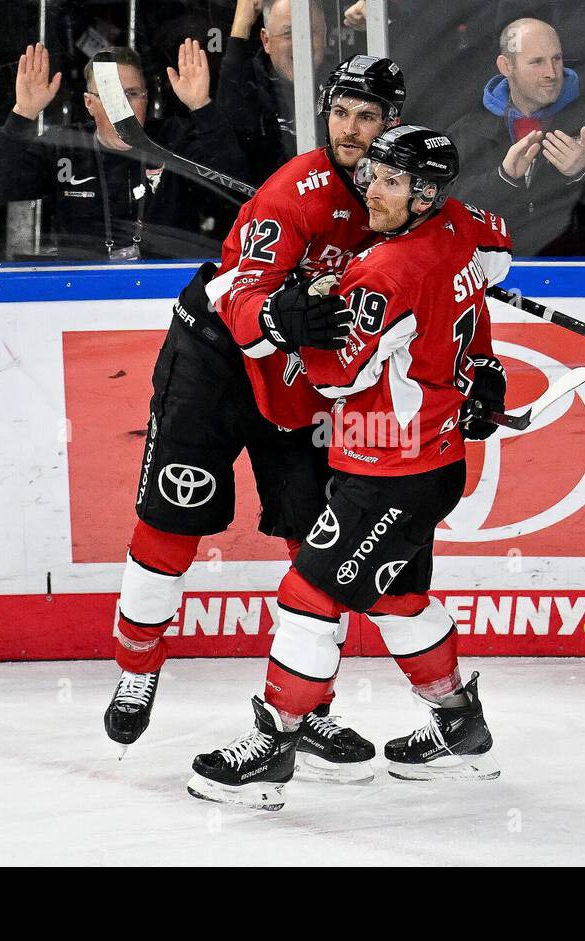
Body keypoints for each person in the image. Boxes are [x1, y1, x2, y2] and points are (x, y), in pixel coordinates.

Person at [187, 125, 513, 811]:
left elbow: (335, 378)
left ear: (425, 195)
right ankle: (461, 730)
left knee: (308, 595)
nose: (373, 192)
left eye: (393, 182)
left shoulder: (384, 272)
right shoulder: (461, 231)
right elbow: (494, 259)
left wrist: (304, 312)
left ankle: (273, 746)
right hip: (433, 462)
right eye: (373, 177)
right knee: (396, 598)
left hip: (387, 470)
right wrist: (483, 367)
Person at [103, 55, 408, 785]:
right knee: (172, 521)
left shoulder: (403, 199)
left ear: (392, 123)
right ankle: (137, 669)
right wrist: (280, 312)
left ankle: (307, 710)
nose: (350, 129)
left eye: (367, 117)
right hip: (214, 364)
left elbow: (452, 259)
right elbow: (238, 295)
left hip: (299, 384)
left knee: (318, 544)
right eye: (341, 112)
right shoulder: (294, 191)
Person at [0, 43, 247, 260]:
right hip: (84, 291)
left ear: (146, 98)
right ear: (89, 103)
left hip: (168, 288)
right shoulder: (66, 146)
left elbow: (233, 191)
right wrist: (23, 114)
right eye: (110, 95)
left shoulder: (174, 138)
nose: (122, 106)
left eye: (132, 94)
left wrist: (202, 106)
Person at [447, 17, 585, 256]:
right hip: (492, 269)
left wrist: (583, 173)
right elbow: (442, 208)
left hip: (574, 268)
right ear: (506, 66)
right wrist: (502, 178)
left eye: (556, 59)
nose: (552, 73)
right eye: (537, 62)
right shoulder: (467, 131)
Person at [215, 0, 329, 182]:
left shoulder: (340, 84)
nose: (302, 44)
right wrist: (242, 23)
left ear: (324, 35)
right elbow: (231, 141)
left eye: (312, 31)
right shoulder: (250, 87)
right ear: (266, 40)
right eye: (288, 34)